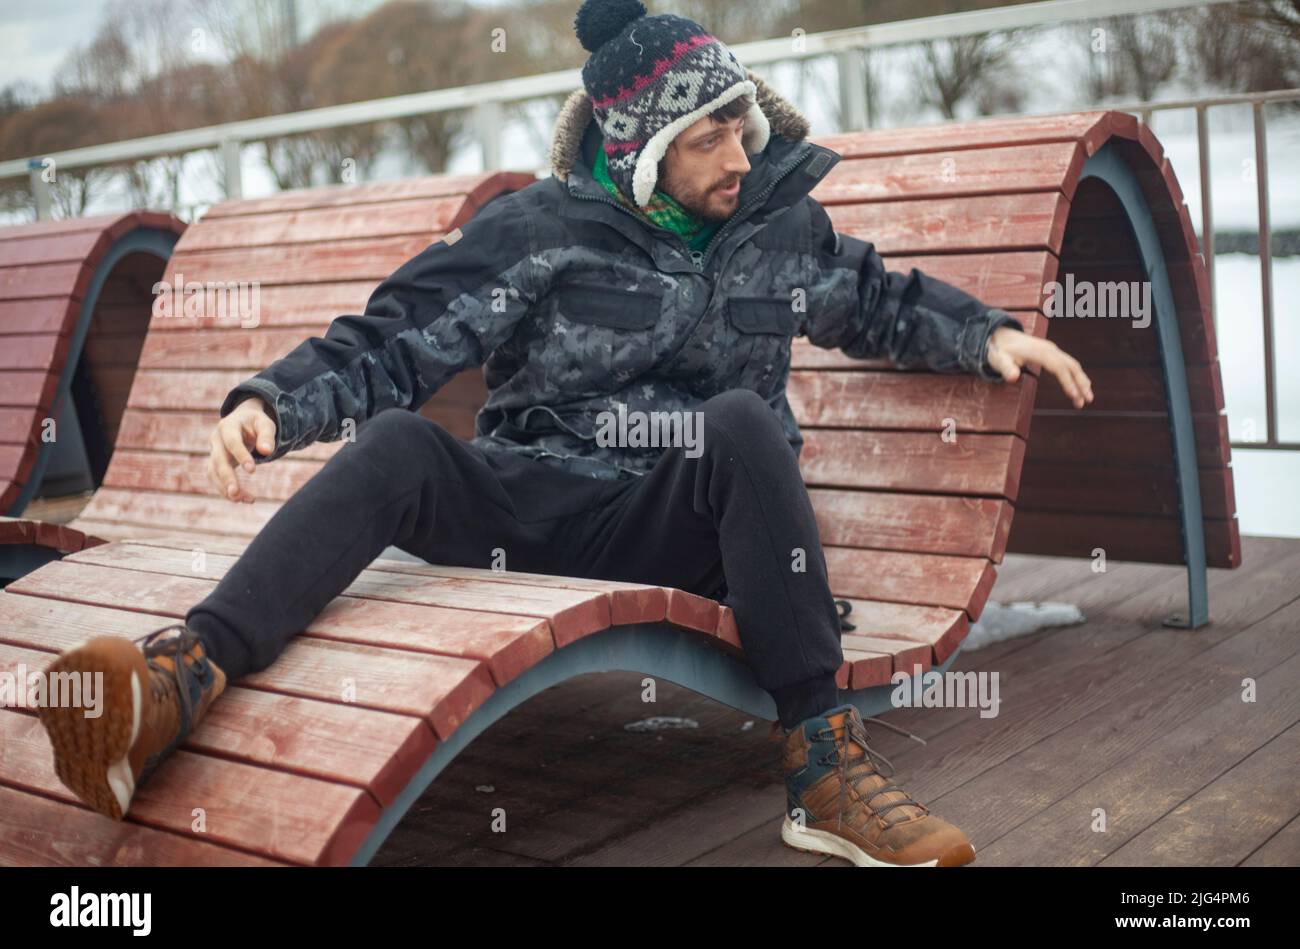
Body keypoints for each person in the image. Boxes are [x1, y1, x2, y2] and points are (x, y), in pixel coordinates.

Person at [37, 0, 1093, 867]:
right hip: (531, 499)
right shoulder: (540, 230)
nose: (740, 153)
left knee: (737, 423)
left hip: (676, 520)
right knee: (400, 443)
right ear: (641, 152)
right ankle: (180, 680)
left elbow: (874, 298)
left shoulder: (777, 226)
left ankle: (825, 767)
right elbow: (402, 332)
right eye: (709, 137)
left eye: (741, 125)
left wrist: (986, 335)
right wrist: (275, 401)